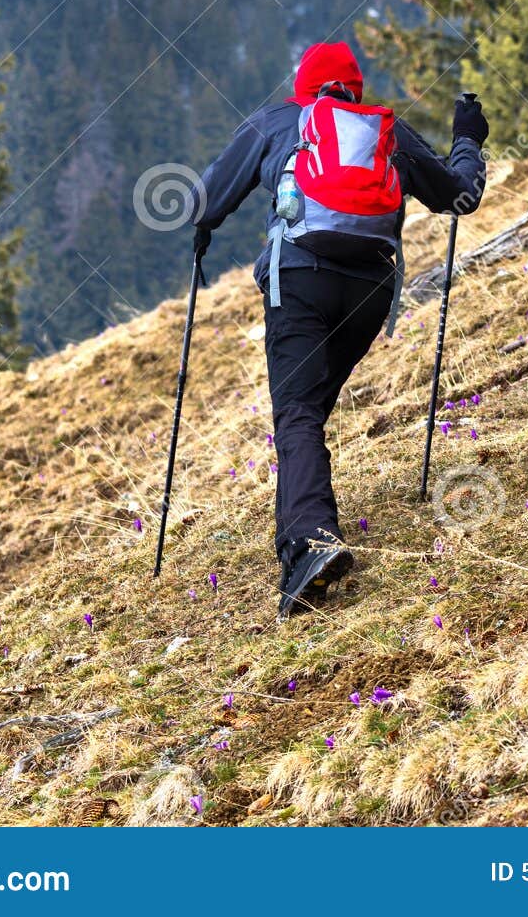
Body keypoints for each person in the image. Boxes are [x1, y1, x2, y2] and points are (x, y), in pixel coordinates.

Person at [190, 41, 488, 619]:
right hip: (369, 292)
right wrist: (468, 137)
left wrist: (203, 230)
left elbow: (205, 200)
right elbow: (460, 196)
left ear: (305, 90)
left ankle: (309, 543)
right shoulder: (388, 134)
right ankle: (302, 538)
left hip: (300, 280)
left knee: (297, 413)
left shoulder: (280, 120)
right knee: (305, 411)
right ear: (355, 92)